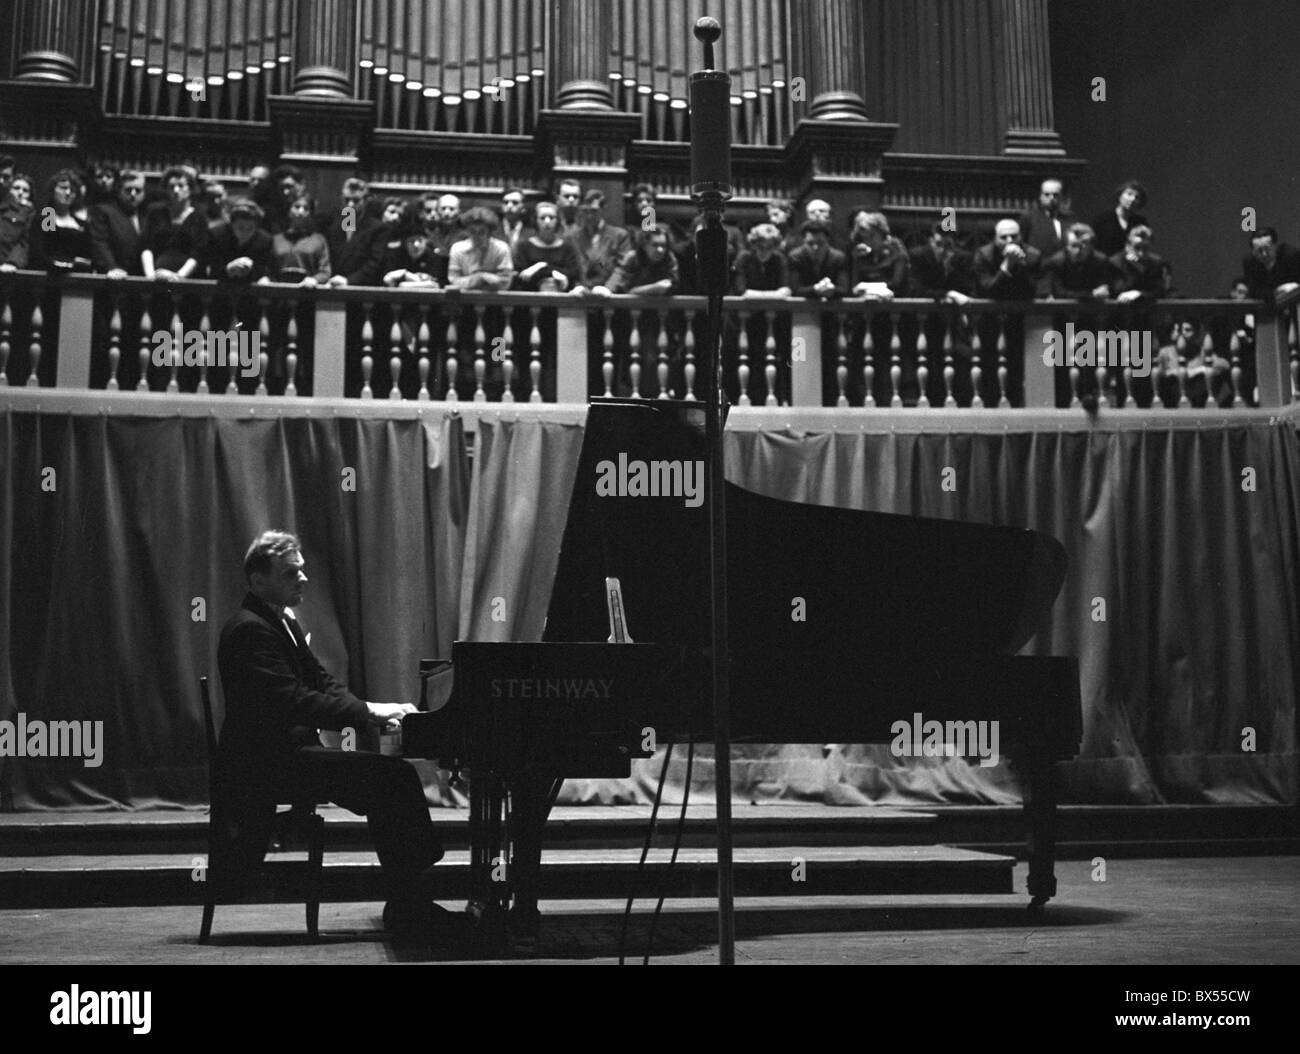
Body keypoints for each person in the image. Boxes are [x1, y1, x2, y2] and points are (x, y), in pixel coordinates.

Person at [214, 531, 446, 941]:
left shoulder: (280, 620)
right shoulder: (250, 630)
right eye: (290, 573)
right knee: (393, 778)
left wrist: (373, 710)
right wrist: (370, 714)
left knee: (389, 778)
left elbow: (321, 682)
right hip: (267, 767)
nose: (302, 579)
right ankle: (410, 905)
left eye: (302, 570)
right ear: (257, 580)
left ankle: (408, 902)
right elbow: (295, 701)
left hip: (286, 756)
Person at [512, 200, 582, 291]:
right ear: (535, 220)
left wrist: (541, 268)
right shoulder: (524, 247)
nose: (547, 221)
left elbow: (574, 275)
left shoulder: (568, 248)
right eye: (542, 218)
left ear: (558, 221)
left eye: (552, 217)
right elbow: (519, 276)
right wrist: (546, 268)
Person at [89, 171, 147, 278]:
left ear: (144, 193)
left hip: (141, 279)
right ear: (119, 191)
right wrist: (112, 267)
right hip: (113, 277)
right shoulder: (104, 211)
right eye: (128, 190)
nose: (133, 194)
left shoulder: (147, 215)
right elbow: (100, 243)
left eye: (138, 190)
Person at [446, 206, 515, 291]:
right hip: (465, 300)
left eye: (481, 232)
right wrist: (479, 278)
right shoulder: (457, 249)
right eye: (472, 231)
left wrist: (476, 280)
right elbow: (453, 280)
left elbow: (505, 282)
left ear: (489, 233)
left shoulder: (501, 248)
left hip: (494, 300)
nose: (476, 236)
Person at [271, 193, 331, 285]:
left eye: (306, 209)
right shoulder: (276, 240)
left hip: (308, 292)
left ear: (310, 214)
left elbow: (325, 271)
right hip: (278, 293)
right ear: (289, 211)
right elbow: (269, 270)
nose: (301, 211)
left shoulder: (318, 240)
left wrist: (315, 280)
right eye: (297, 207)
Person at [1091, 179, 1150, 257]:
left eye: (1137, 197)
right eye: (1129, 194)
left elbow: (1143, 247)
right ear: (1120, 196)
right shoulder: (1103, 219)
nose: (1132, 199)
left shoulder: (1141, 222)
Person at [1241, 227, 1300, 300]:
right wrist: (1277, 291)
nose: (1264, 254)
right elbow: (1254, 292)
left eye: (1267, 249)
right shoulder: (1250, 263)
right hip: (1266, 304)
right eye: (1259, 251)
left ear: (1275, 246)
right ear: (1253, 251)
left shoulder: (1291, 256)